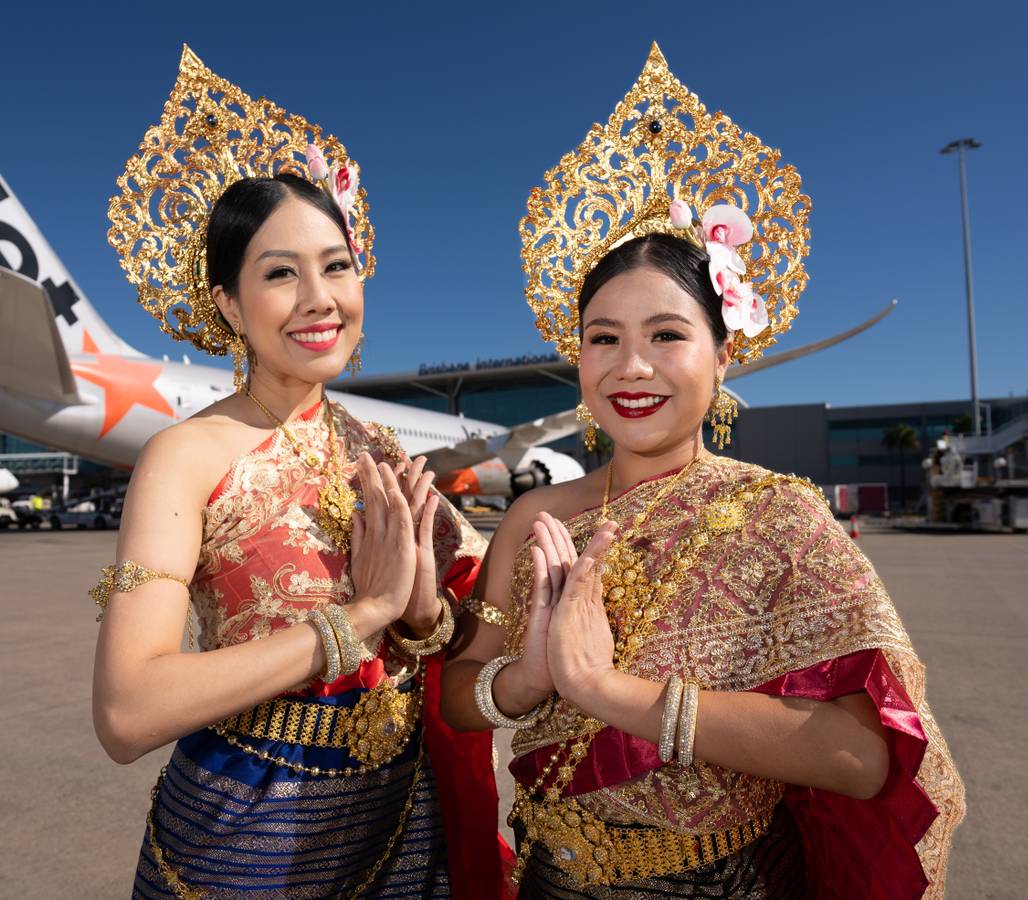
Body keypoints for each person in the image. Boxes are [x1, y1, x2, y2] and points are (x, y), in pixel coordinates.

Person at [443, 45, 964, 898]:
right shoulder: (536, 518)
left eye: (667, 336)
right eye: (603, 339)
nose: (632, 367)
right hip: (544, 878)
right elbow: (461, 697)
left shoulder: (780, 516)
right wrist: (528, 680)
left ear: (724, 357)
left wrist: (608, 691)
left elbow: (863, 757)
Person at [93, 47, 501, 898]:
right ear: (231, 306)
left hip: (402, 822)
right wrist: (364, 615)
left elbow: (458, 637)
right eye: (281, 273)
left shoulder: (381, 450)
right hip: (246, 837)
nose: (320, 297)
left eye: (337, 265)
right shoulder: (185, 457)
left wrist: (423, 613)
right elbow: (128, 712)